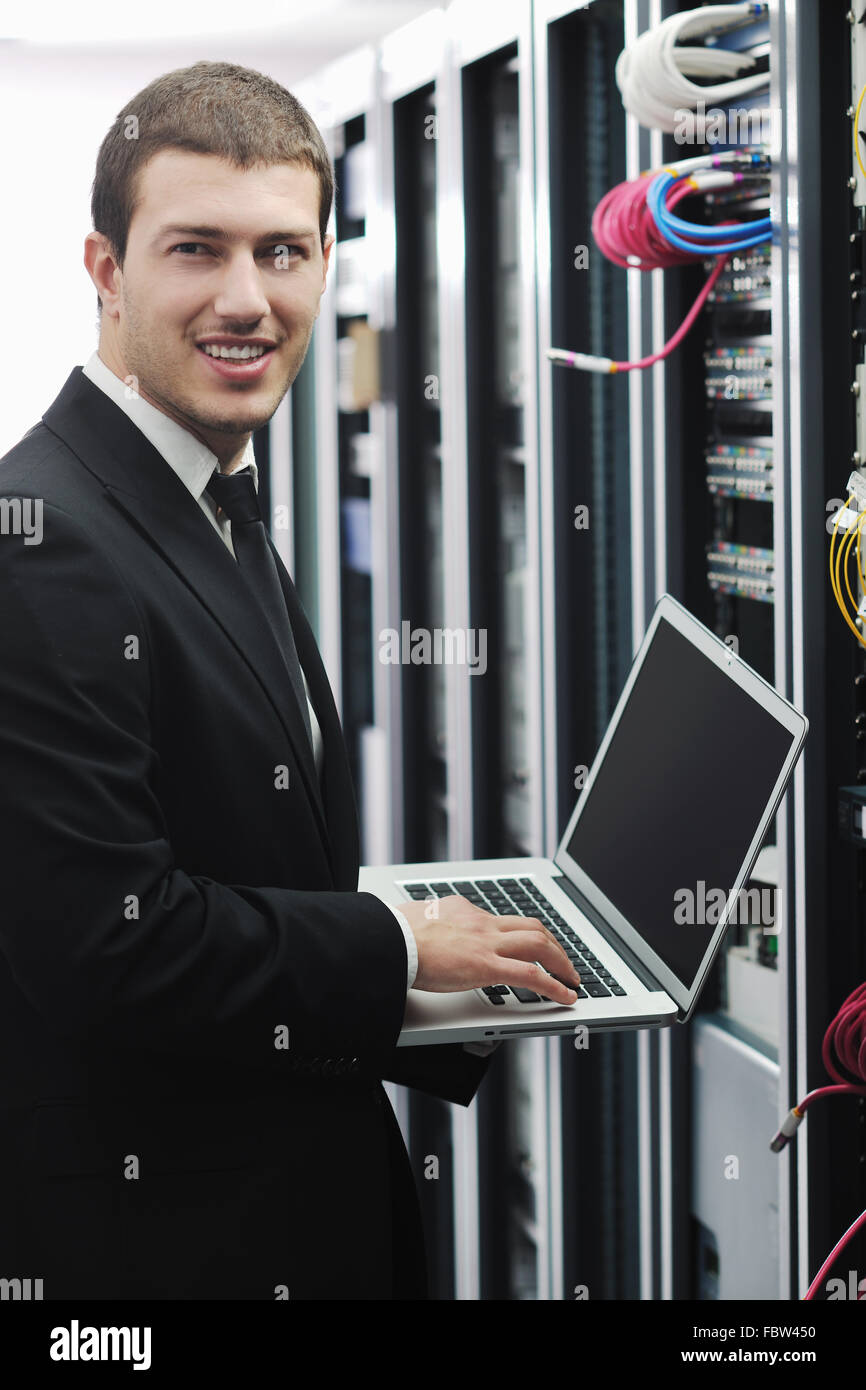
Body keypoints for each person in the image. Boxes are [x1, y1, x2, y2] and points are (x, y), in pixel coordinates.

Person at [0, 60, 580, 1300]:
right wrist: (390, 939)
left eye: (283, 252)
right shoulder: (44, 545)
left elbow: (239, 858)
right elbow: (111, 950)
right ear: (105, 270)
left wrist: (446, 962)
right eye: (196, 249)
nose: (247, 299)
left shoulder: (197, 495)